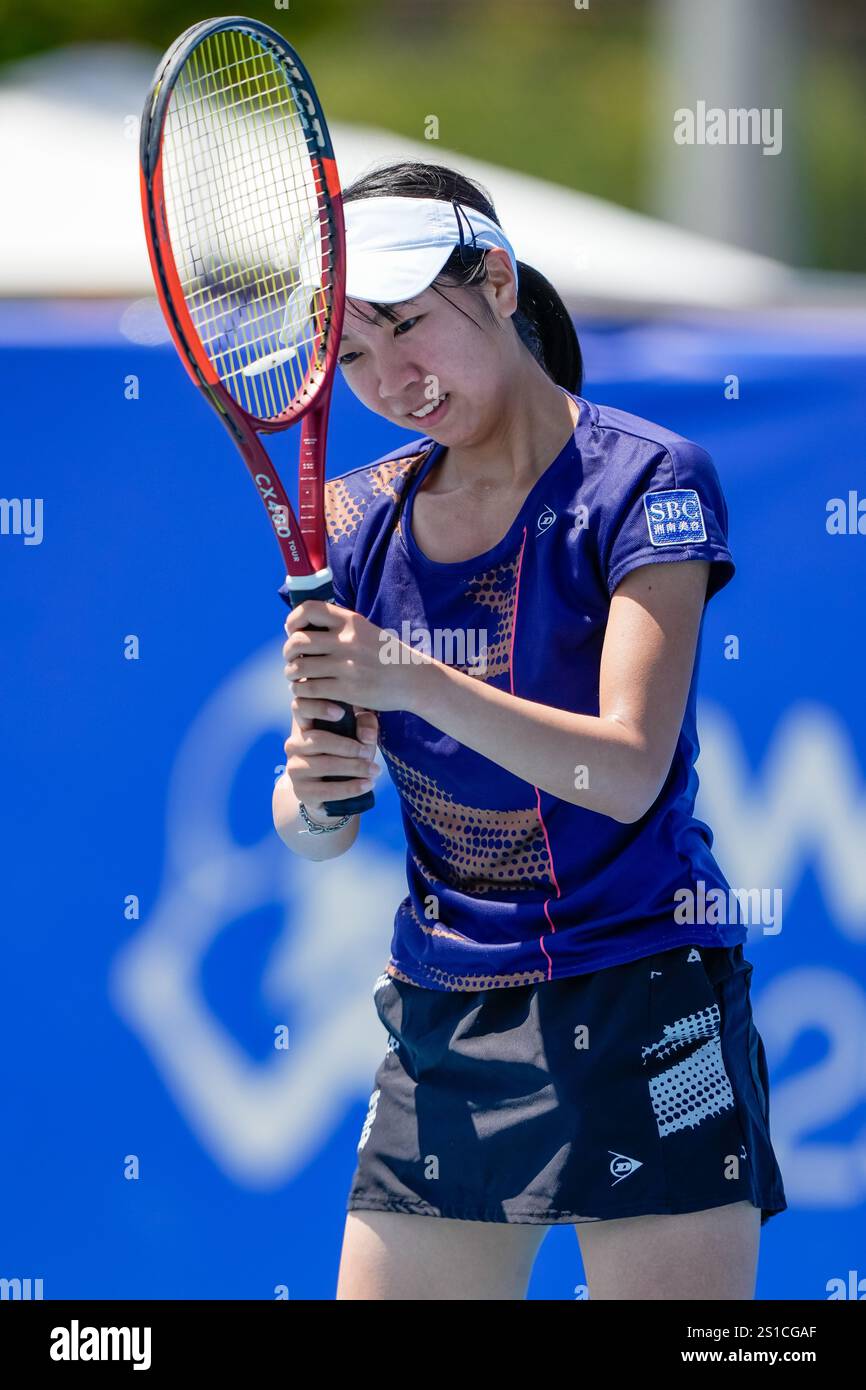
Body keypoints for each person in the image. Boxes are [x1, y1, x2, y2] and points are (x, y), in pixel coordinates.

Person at [272, 161, 787, 1300]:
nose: (393, 377)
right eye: (352, 355)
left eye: (408, 324)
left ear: (495, 282)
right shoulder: (356, 519)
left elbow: (621, 768)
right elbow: (316, 823)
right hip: (445, 1015)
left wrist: (406, 676)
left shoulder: (650, 480)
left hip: (646, 992)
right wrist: (312, 789)